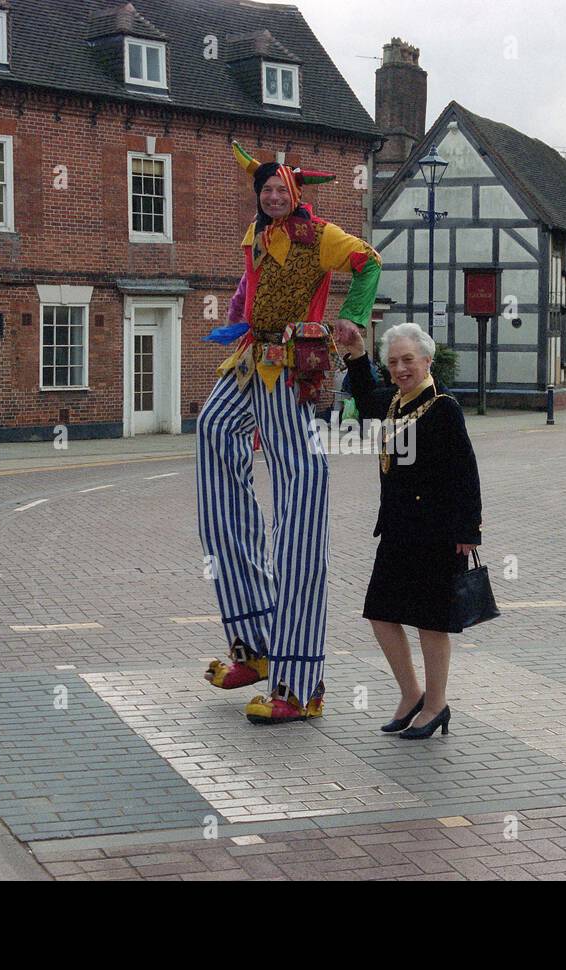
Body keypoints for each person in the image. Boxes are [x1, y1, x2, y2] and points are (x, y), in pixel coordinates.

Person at [197, 143, 381, 725]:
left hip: (290, 372)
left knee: (299, 516)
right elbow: (247, 288)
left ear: (295, 194)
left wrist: (353, 312)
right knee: (211, 429)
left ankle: (300, 684)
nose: (273, 198)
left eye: (281, 191)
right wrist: (234, 318)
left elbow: (368, 261)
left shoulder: (320, 234)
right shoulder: (254, 236)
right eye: (265, 191)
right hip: (252, 359)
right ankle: (254, 642)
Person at [335, 322, 484, 739]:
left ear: (427, 362)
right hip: (397, 531)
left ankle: (436, 704)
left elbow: (465, 471)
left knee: (430, 622)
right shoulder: (395, 404)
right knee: (381, 614)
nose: (401, 368)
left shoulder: (444, 408)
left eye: (408, 360)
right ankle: (411, 693)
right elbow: (364, 400)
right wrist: (358, 354)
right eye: (394, 362)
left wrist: (468, 529)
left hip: (437, 534)